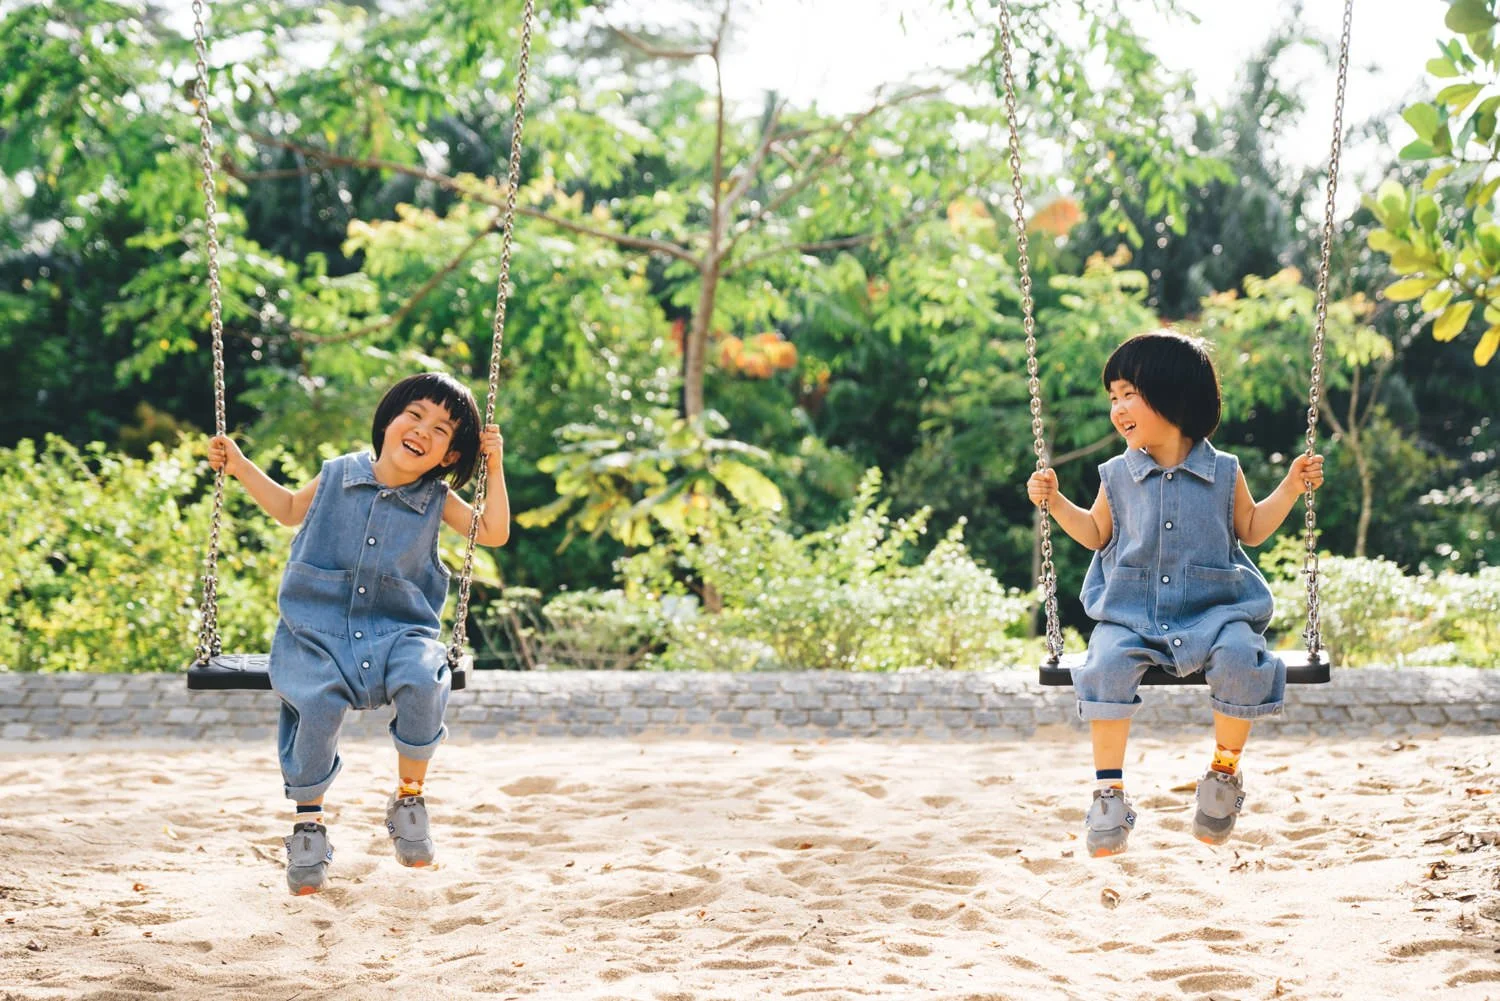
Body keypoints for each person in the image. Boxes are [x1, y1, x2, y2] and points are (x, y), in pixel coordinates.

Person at [208, 372, 510, 894]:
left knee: (424, 678)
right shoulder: (336, 475)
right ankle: (309, 826)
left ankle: (410, 798)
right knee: (316, 705)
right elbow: (284, 509)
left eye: (442, 430)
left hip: (399, 631)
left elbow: (496, 532)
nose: (422, 431)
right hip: (315, 632)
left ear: (449, 457)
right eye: (414, 415)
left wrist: (495, 464)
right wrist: (238, 466)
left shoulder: (438, 499)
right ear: (390, 419)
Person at [1026, 330, 1324, 857]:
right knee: (1104, 664)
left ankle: (1224, 775)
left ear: (1173, 396)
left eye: (1128, 393)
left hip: (1216, 610)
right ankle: (1109, 793)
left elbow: (1251, 528)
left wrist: (1292, 488)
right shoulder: (1116, 475)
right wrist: (1055, 504)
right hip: (1131, 614)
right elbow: (1096, 534)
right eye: (1112, 397)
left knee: (1243, 656)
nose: (1117, 408)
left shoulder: (1223, 470)